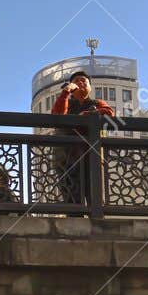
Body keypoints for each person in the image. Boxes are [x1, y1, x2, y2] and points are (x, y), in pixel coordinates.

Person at [50, 71, 114, 205]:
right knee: (72, 203)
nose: (80, 83)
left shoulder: (97, 103)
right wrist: (66, 92)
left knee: (96, 201)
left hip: (92, 157)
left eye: (84, 81)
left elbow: (109, 113)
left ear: (90, 87)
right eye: (76, 81)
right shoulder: (65, 101)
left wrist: (87, 115)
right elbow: (57, 116)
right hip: (66, 159)